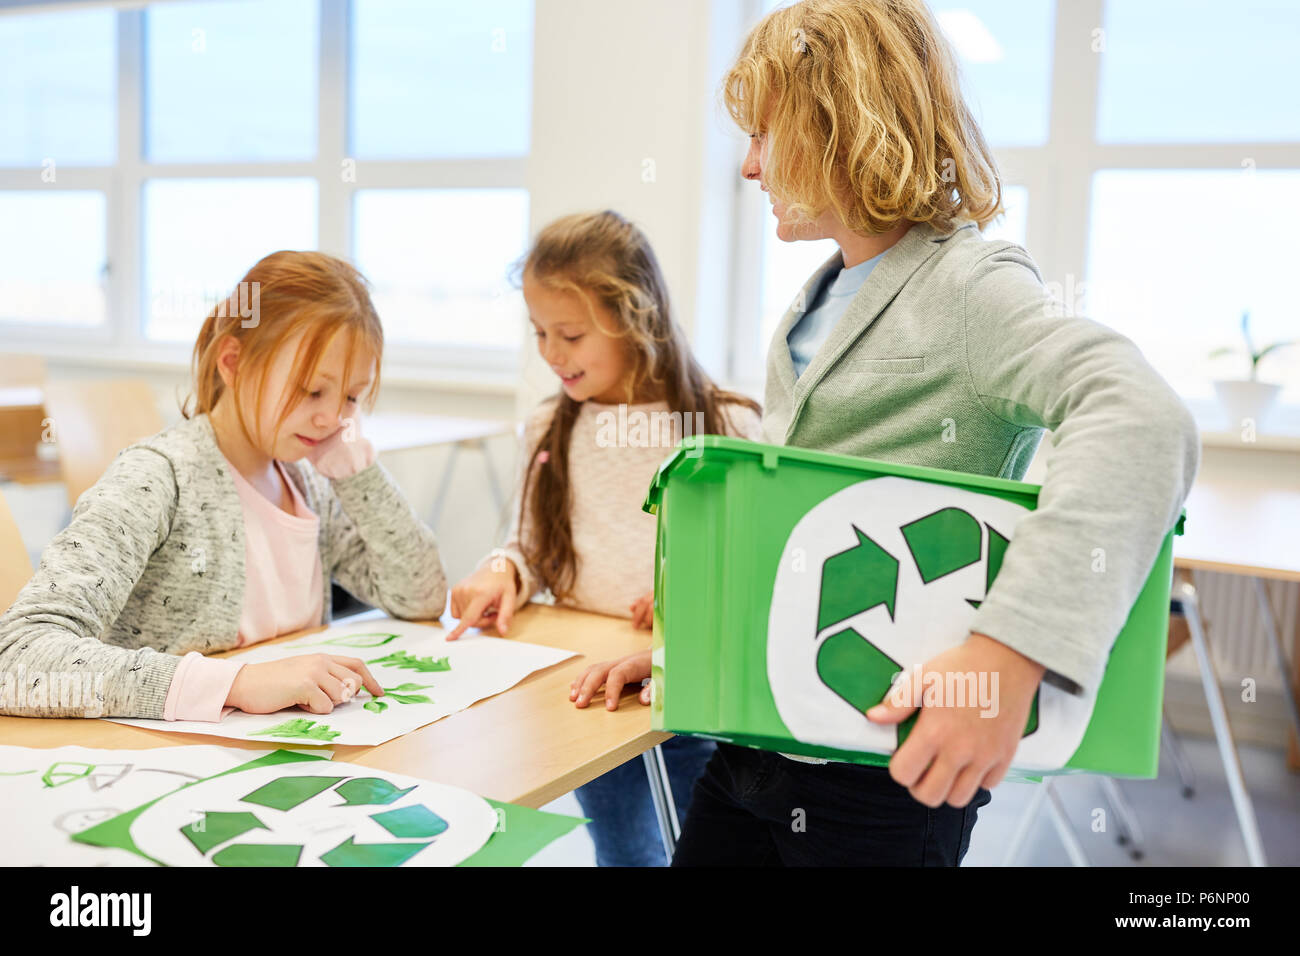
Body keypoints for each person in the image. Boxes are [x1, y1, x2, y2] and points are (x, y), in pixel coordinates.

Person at [580, 0, 1199, 867]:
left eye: (765, 134)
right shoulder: (813, 304)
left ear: (842, 124)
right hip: (756, 747)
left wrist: (1009, 653)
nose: (751, 168)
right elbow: (803, 529)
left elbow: (1143, 419)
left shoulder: (968, 284)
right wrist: (694, 652)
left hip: (885, 774)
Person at [0, 250, 447, 721]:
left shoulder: (307, 482)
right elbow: (16, 659)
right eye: (313, 390)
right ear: (233, 363)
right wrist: (237, 682)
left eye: (352, 397)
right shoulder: (157, 477)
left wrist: (360, 476)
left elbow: (421, 596)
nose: (332, 417)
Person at [446, 210, 763, 866]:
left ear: (636, 317)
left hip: (686, 692)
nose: (551, 354)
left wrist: (695, 594)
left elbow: (758, 566)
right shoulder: (547, 428)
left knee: (703, 850)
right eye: (539, 332)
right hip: (589, 693)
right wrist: (502, 573)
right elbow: (530, 548)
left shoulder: (723, 424)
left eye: (570, 333)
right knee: (624, 853)